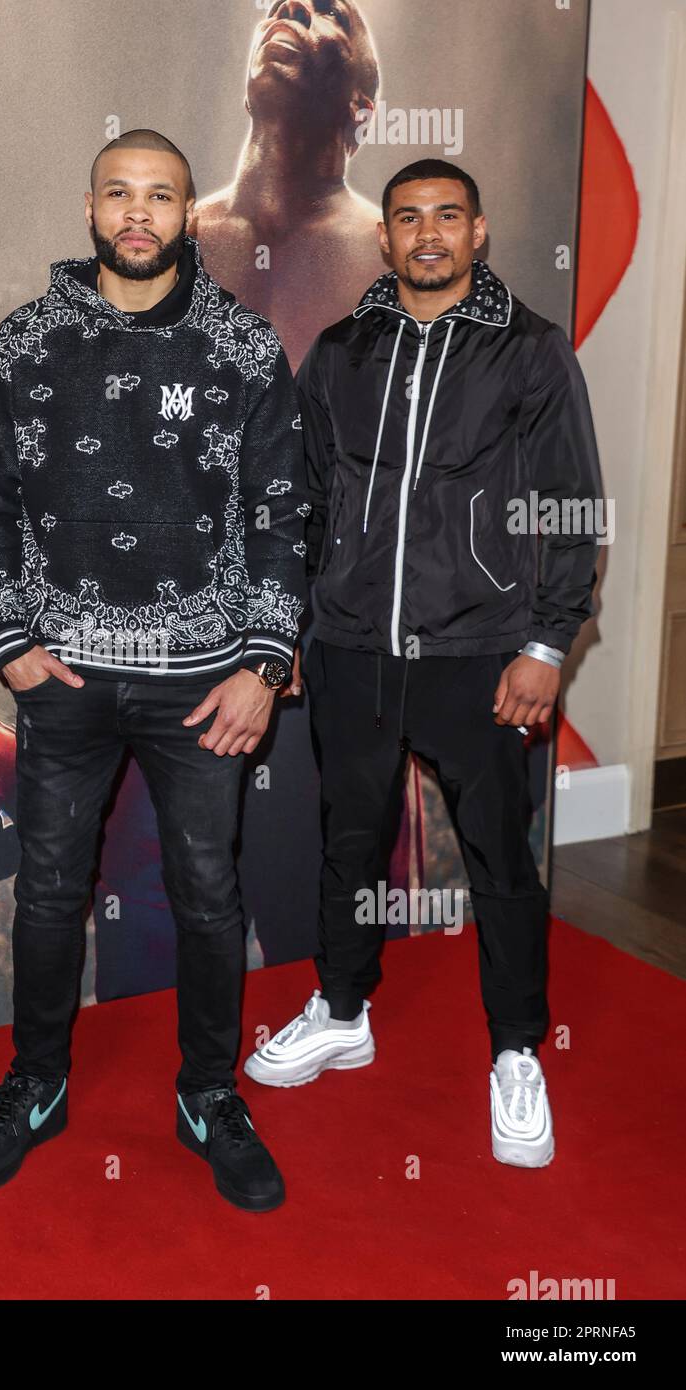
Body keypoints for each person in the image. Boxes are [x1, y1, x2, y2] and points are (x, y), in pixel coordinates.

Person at [0, 130, 307, 1212]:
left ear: (187, 212)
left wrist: (264, 660)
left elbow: (283, 516)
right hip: (61, 683)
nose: (139, 213)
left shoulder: (243, 346)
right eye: (120, 193)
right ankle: (37, 1081)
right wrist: (9, 639)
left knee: (208, 894)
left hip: (203, 683)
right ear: (92, 207)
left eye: (160, 195)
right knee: (51, 891)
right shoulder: (24, 341)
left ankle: (207, 1093)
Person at [246, 160, 603, 1169]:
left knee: (497, 859)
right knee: (343, 842)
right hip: (352, 649)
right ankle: (342, 1008)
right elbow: (307, 500)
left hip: (479, 653)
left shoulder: (527, 351)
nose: (427, 234)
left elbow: (570, 509)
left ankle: (516, 1051)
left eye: (447, 216)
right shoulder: (342, 350)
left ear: (477, 232)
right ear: (385, 237)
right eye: (407, 218)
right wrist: (304, 625)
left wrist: (544, 643)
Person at [191, 0, 384, 372]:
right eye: (275, 7)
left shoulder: (397, 258)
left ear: (360, 115)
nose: (291, 7)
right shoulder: (175, 241)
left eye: (331, 12)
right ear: (247, 95)